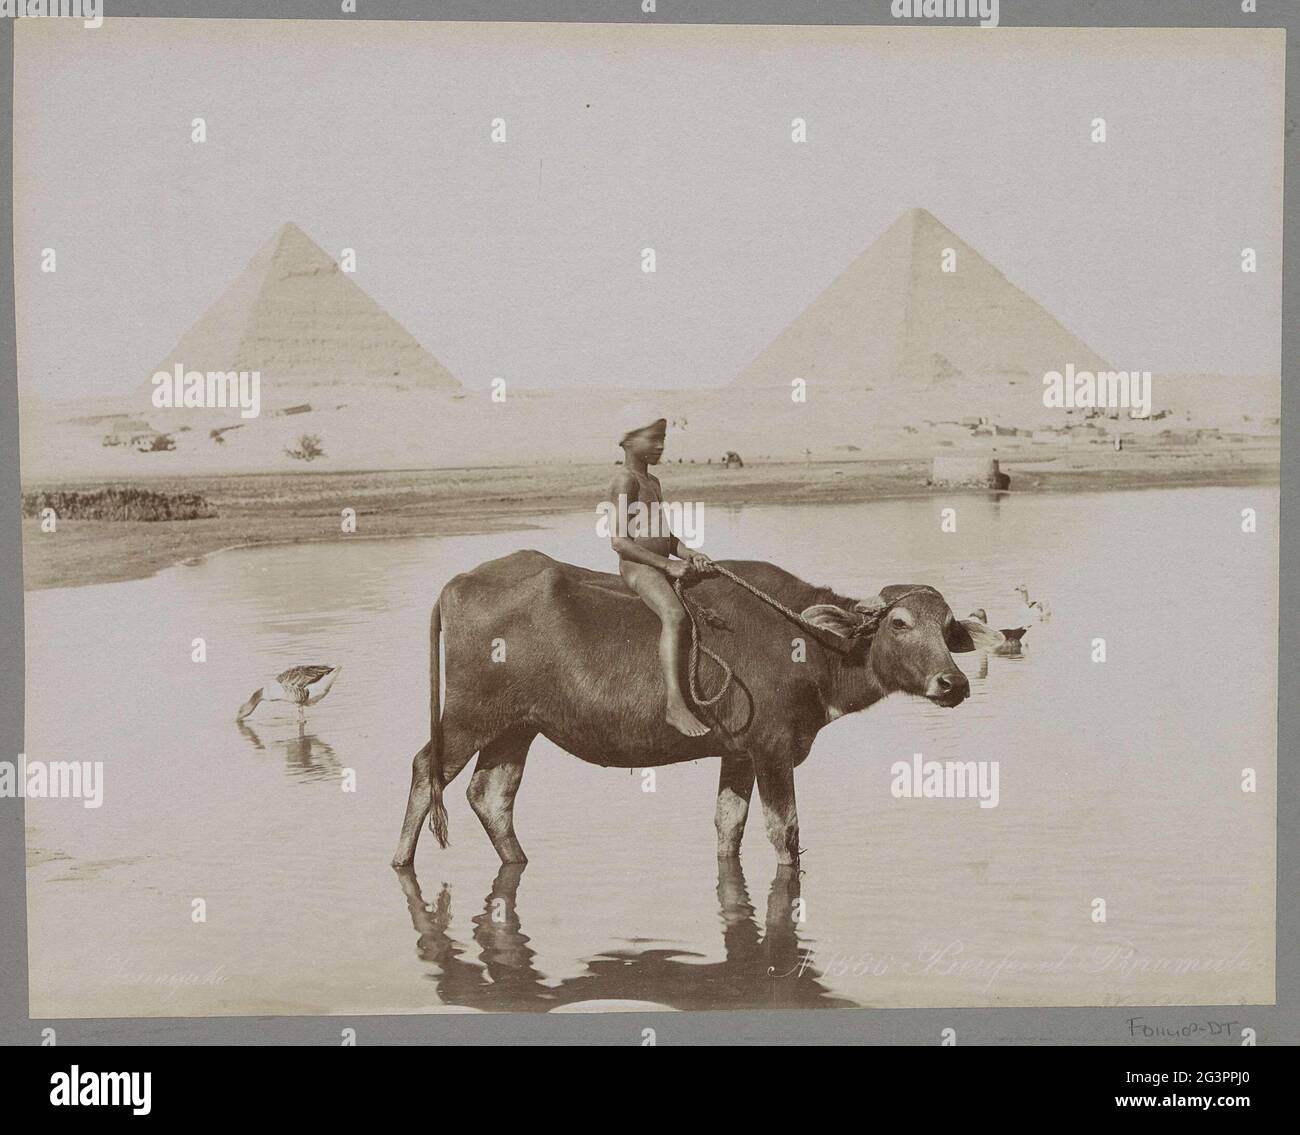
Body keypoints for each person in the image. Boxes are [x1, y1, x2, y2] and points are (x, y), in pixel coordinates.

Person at [607, 410, 715, 736]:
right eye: (653, 439)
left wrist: (690, 553)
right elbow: (620, 542)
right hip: (639, 567)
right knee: (674, 614)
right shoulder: (625, 480)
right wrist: (667, 565)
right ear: (628, 441)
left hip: (657, 562)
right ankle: (674, 704)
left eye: (663, 440)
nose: (660, 446)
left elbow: (666, 537)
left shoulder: (652, 481)